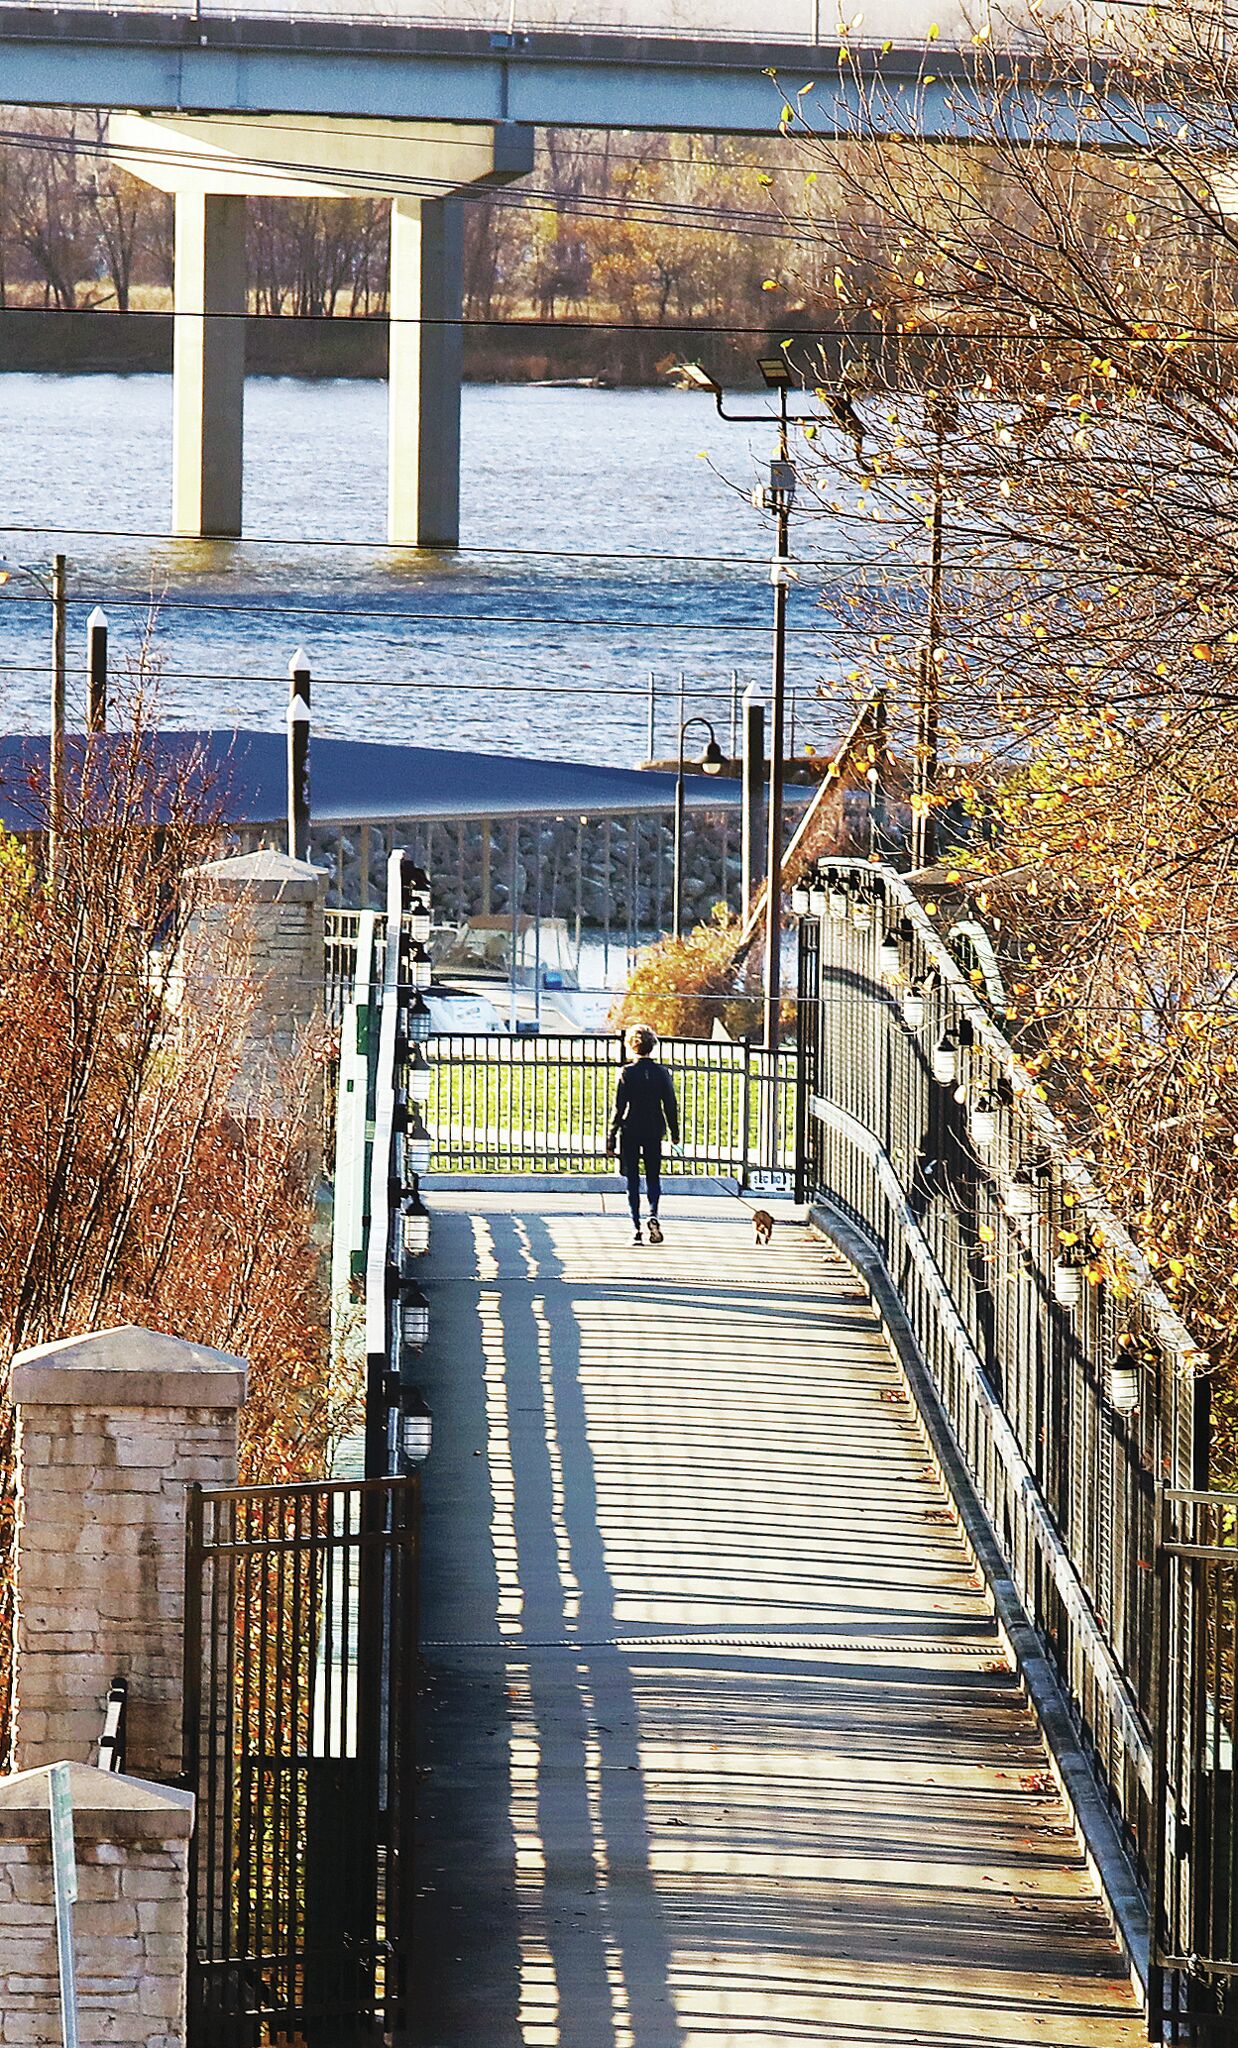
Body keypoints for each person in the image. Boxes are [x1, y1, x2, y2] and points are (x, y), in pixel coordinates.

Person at [607, 1024, 679, 1245]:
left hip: (630, 1129)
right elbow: (670, 1104)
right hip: (654, 1128)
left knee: (633, 1180)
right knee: (653, 1176)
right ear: (652, 1046)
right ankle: (653, 1213)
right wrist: (674, 1133)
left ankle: (636, 1228)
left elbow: (619, 1107)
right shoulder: (662, 1073)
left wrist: (611, 1136)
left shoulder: (627, 1072)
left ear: (631, 1047)